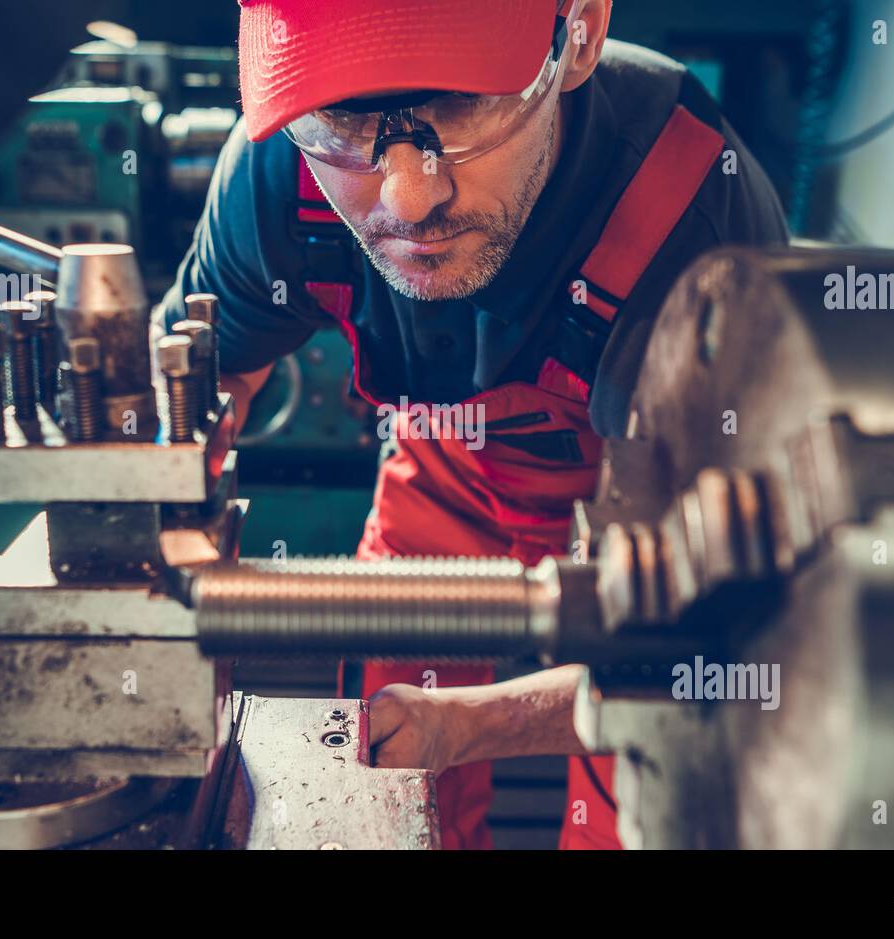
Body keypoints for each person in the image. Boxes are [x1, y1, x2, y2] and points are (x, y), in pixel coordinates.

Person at [158, 0, 787, 849]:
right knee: (383, 783)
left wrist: (469, 725)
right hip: (445, 481)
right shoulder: (279, 171)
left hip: (649, 545)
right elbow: (199, 395)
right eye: (344, 117)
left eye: (463, 103)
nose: (410, 198)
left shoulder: (692, 221)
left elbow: (700, 637)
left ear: (580, 33)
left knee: (643, 777)